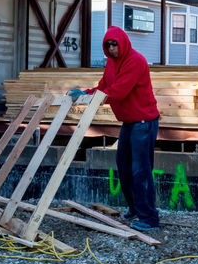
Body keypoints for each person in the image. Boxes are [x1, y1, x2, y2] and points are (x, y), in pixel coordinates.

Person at [68, 26, 160, 231]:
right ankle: (136, 208)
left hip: (144, 122)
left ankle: (150, 217)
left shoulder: (135, 61)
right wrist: (83, 94)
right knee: (124, 166)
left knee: (140, 170)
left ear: (123, 43)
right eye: (108, 45)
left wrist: (92, 98)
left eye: (114, 45)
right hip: (130, 122)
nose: (111, 49)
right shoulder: (111, 63)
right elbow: (103, 87)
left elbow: (118, 92)